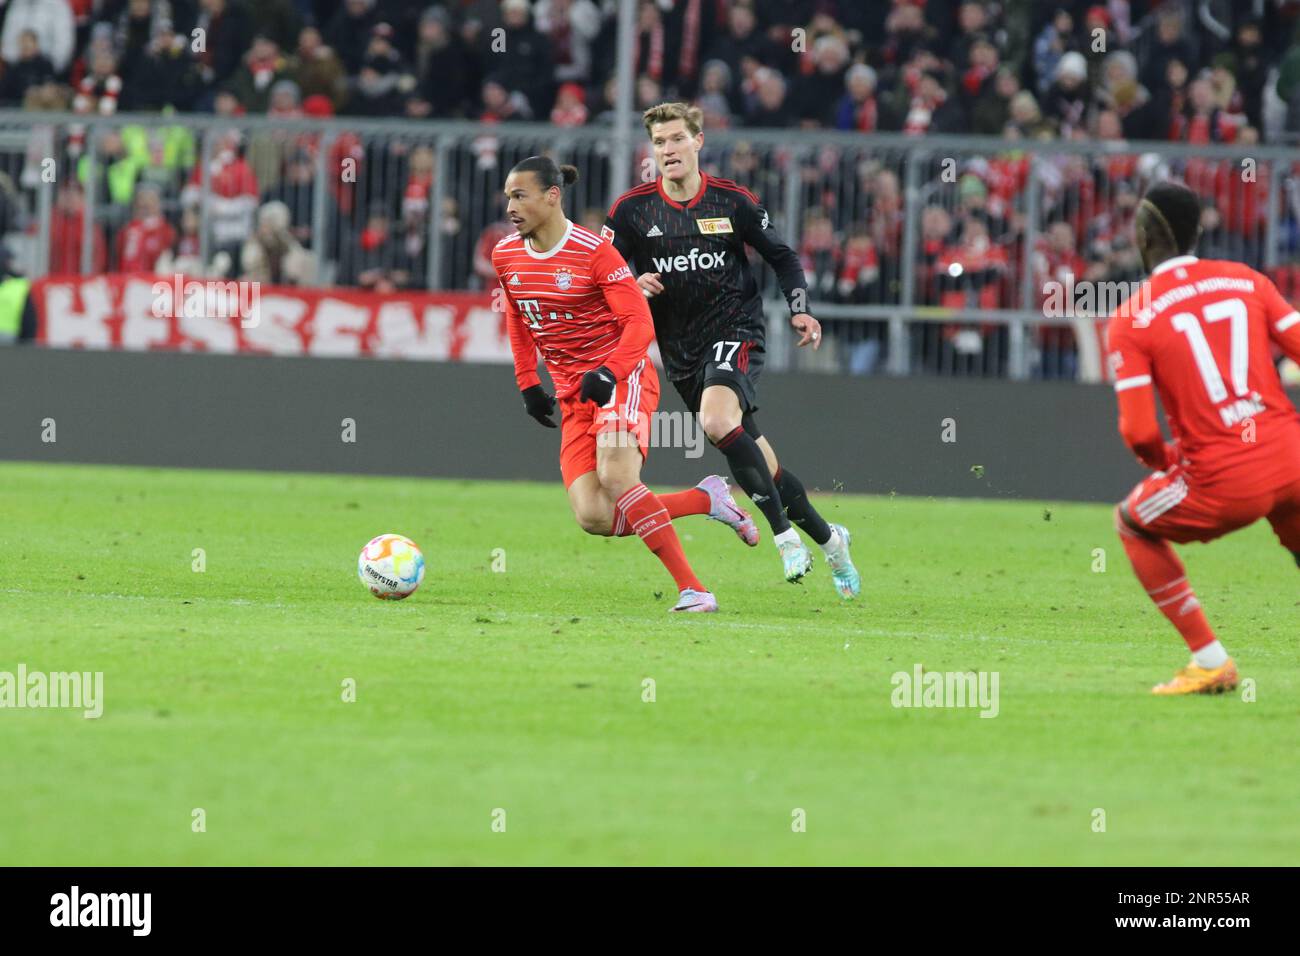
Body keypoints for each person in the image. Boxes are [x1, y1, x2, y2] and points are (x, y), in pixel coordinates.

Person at [604, 102, 860, 599]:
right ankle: (832, 541)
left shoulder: (733, 201)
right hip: (682, 351)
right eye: (659, 143)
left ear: (698, 142)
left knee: (716, 422)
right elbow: (604, 276)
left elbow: (783, 258)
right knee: (762, 459)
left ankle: (784, 536)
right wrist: (633, 284)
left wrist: (800, 309)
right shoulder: (632, 210)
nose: (668, 150)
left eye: (677, 139)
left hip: (737, 331)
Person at [493, 156, 758, 613]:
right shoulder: (506, 254)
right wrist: (527, 382)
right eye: (508, 197)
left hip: (621, 376)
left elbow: (638, 324)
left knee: (618, 477)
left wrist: (609, 372)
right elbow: (517, 316)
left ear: (552, 197)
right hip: (573, 392)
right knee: (594, 516)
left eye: (520, 195)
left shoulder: (594, 251)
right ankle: (705, 498)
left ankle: (694, 590)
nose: (511, 206)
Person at [1107, 181, 1300, 695]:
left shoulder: (1134, 317)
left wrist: (1168, 459)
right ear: (1197, 232)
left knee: (1131, 522)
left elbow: (1139, 430)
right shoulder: (1247, 281)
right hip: (1291, 457)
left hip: (1223, 478)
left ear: (1145, 235)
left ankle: (1210, 659)